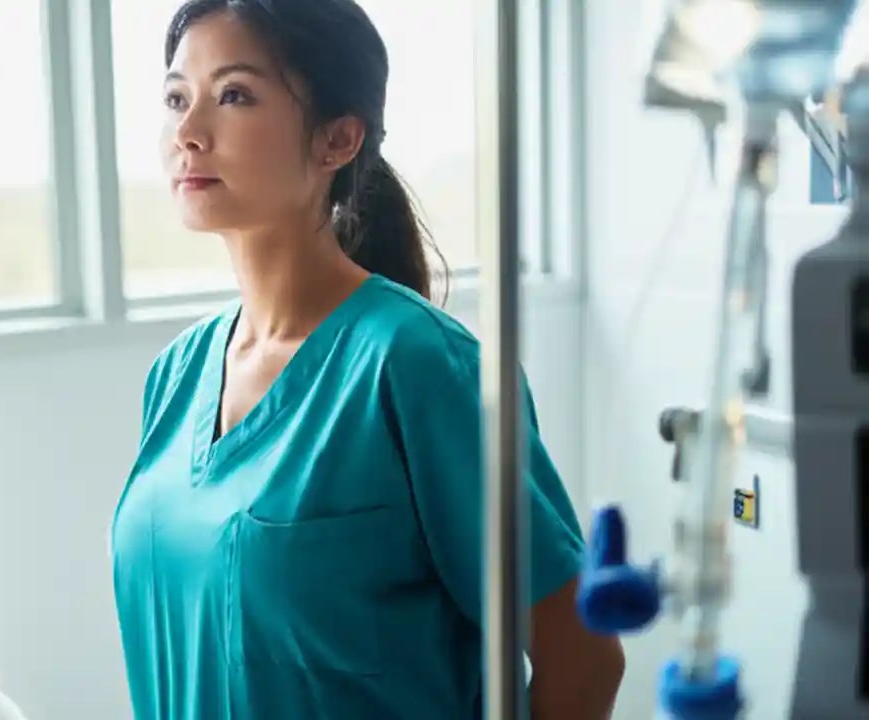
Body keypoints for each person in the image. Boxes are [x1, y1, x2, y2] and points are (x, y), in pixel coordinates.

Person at [109, 1, 625, 717]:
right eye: (176, 98)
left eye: (234, 95)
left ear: (337, 139)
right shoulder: (176, 375)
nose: (188, 133)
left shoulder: (417, 368)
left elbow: (584, 650)